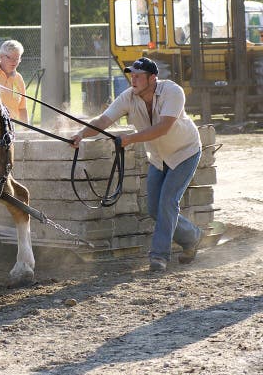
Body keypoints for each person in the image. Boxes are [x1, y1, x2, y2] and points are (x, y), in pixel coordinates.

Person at [70, 57, 203, 272]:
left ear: (153, 78)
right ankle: (193, 236)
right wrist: (81, 134)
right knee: (153, 209)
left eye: (138, 76)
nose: (133, 80)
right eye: (132, 75)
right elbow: (103, 121)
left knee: (168, 202)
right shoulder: (128, 97)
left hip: (184, 153)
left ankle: (159, 256)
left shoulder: (172, 91)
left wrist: (130, 139)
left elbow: (164, 127)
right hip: (158, 158)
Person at [0, 40, 29, 123]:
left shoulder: (19, 79)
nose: (13, 62)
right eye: (10, 57)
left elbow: (22, 108)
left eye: (17, 58)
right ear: (1, 56)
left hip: (11, 128)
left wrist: (27, 130)